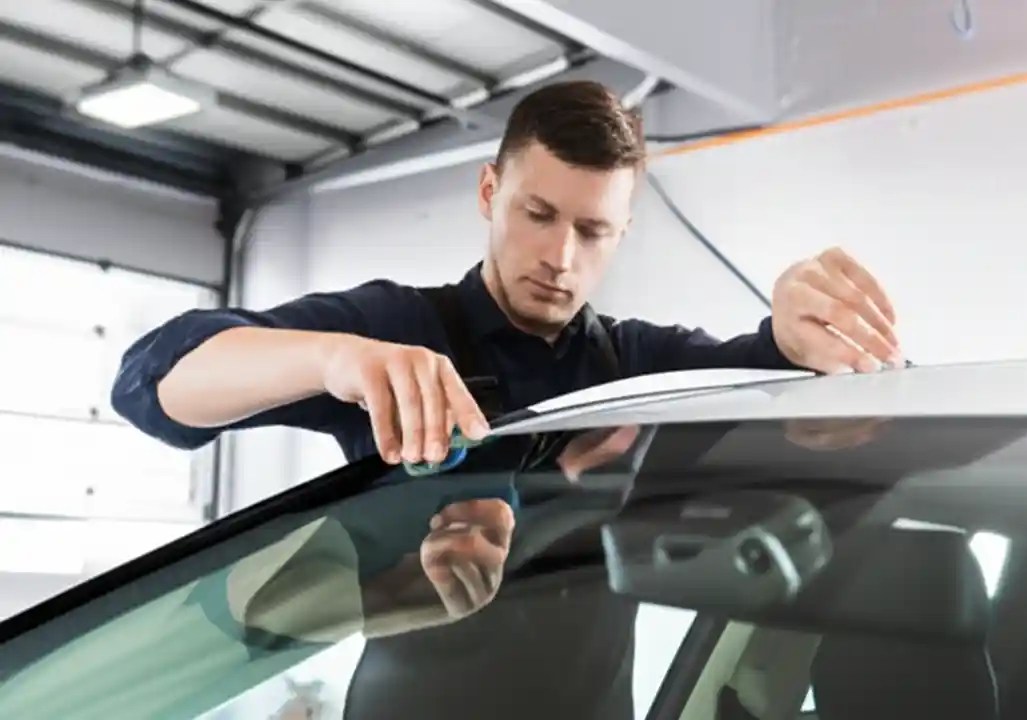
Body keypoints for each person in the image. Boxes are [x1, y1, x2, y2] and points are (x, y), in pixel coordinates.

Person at [111, 80, 903, 718]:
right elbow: (152, 385)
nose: (560, 256)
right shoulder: (398, 327)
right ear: (490, 191)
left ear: (623, 232)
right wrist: (334, 358)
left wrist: (802, 335)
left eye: (592, 230)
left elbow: (786, 383)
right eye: (538, 214)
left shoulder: (641, 364)